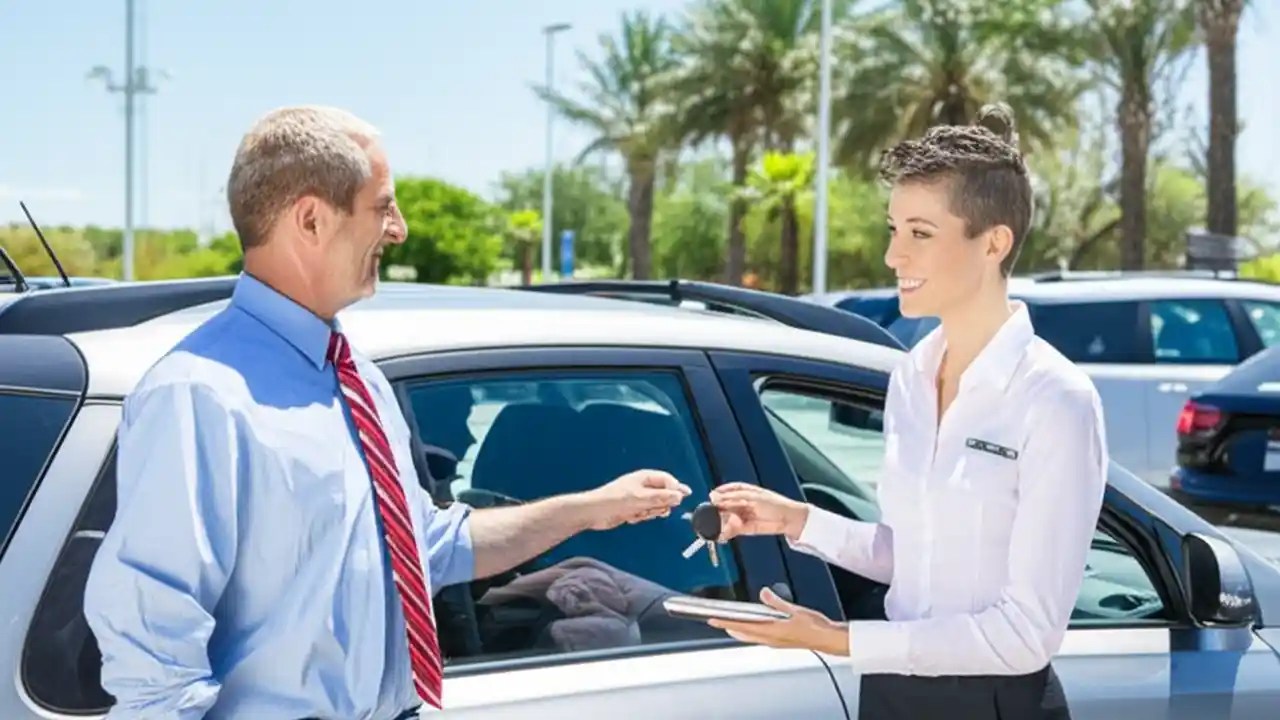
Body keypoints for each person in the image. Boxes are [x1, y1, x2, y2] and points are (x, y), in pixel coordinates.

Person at [82, 105, 691, 720]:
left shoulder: (359, 380)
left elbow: (428, 548)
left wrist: (592, 509)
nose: (397, 229)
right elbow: (153, 655)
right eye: (381, 207)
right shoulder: (197, 395)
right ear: (312, 220)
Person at [704, 104, 1106, 720]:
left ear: (994, 242)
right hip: (891, 694)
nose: (894, 256)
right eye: (893, 230)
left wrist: (836, 640)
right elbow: (915, 556)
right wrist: (797, 520)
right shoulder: (910, 378)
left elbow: (1027, 634)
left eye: (920, 233)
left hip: (995, 706)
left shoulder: (1055, 400)